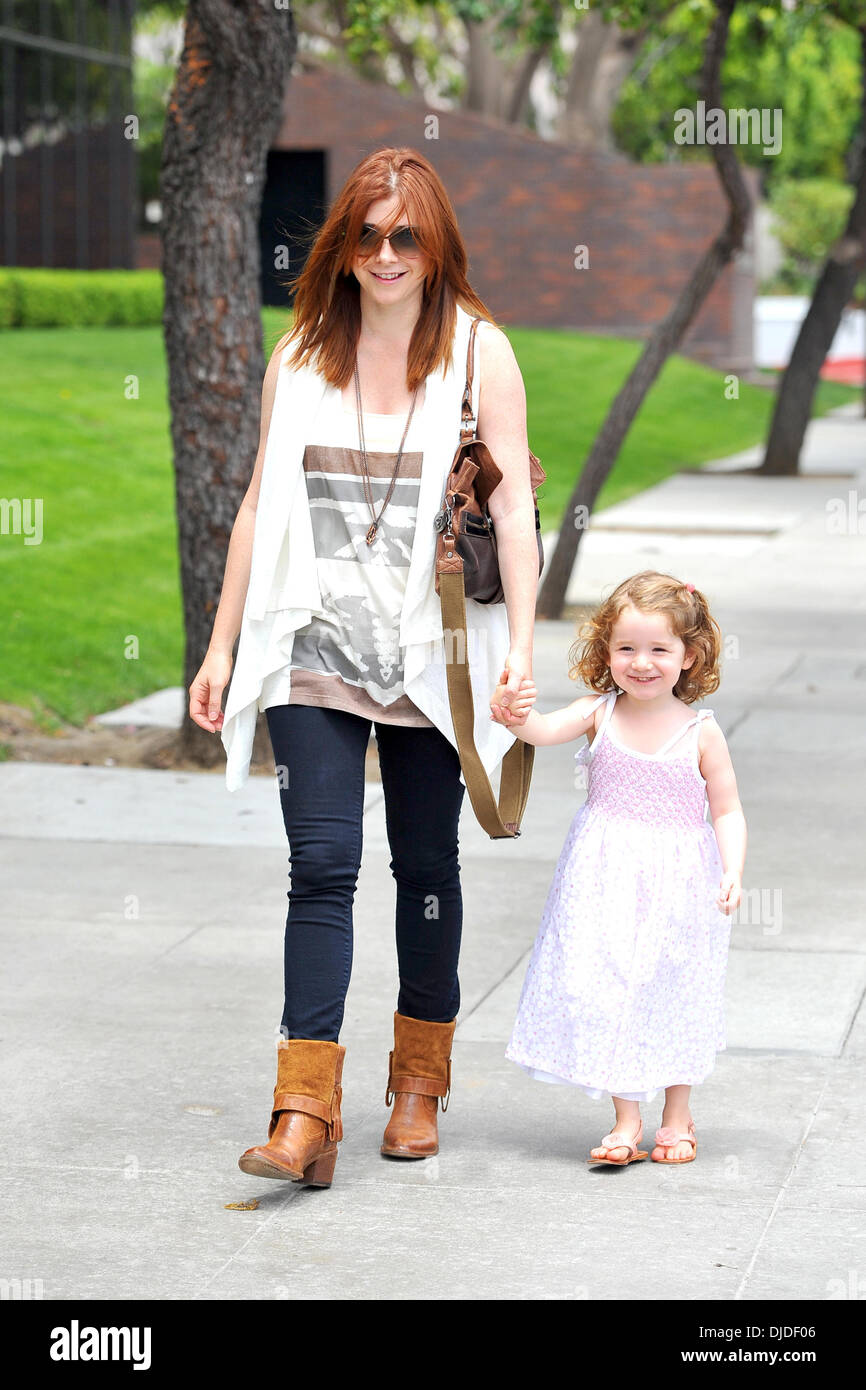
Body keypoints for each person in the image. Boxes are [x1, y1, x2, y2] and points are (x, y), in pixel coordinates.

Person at [188, 147, 540, 1187]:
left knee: (424, 868)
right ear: (341, 248)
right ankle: (304, 1111)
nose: (385, 256)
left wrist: (520, 643)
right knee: (322, 865)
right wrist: (218, 646)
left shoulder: (480, 354)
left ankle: (419, 1082)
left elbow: (512, 505)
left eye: (406, 237)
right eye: (367, 236)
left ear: (435, 249)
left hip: (429, 656)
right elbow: (256, 504)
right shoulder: (296, 354)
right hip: (310, 642)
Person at [490, 570, 746, 1167]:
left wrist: (731, 870)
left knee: (672, 988)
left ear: (690, 656)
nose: (642, 662)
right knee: (609, 987)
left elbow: (727, 808)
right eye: (626, 647)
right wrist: (512, 713)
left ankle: (677, 1114)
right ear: (606, 650)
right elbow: (541, 729)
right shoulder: (598, 713)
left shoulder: (701, 733)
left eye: (659, 649)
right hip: (602, 878)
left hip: (681, 878)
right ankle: (626, 1118)